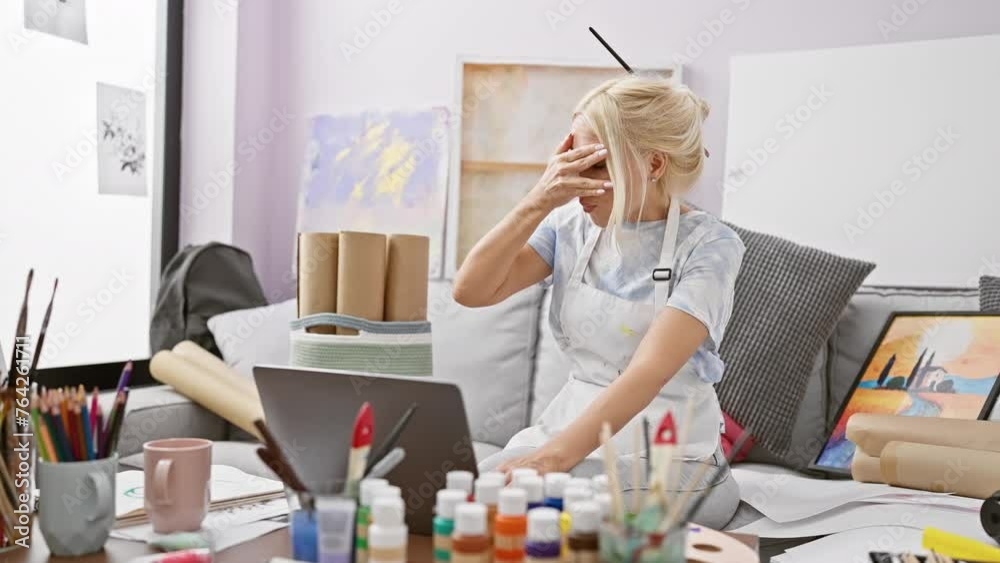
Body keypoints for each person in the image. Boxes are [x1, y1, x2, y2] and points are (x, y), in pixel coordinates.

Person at [452, 75, 745, 528]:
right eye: (571, 162)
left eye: (595, 165)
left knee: (539, 507)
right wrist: (537, 199)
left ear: (653, 164)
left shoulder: (710, 246)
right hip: (569, 432)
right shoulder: (570, 226)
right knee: (472, 490)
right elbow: (471, 290)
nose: (576, 181)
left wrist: (550, 462)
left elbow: (646, 374)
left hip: (675, 458)